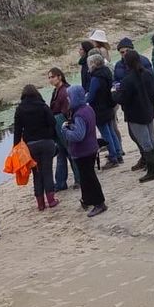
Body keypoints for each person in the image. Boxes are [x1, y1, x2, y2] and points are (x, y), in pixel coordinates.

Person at [114, 49, 154, 182]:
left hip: (135, 114)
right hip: (148, 109)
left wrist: (114, 94)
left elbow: (123, 99)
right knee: (152, 138)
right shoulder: (147, 74)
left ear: (126, 63)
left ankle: (153, 171)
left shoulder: (127, 80)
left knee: (145, 141)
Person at [62, 85, 108, 215]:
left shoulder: (79, 114)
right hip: (90, 148)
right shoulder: (88, 108)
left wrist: (65, 130)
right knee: (85, 177)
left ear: (74, 97)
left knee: (89, 177)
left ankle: (99, 203)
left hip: (84, 151)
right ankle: (87, 200)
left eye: (69, 97)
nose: (68, 99)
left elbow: (79, 136)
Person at [13, 84, 59, 211]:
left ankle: (40, 204)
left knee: (37, 174)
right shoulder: (42, 106)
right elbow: (53, 122)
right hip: (46, 143)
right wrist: (50, 135)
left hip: (30, 146)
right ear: (36, 93)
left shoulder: (19, 110)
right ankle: (51, 200)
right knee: (47, 171)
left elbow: (17, 130)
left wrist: (16, 148)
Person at [47, 67, 81, 192]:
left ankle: (79, 178)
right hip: (57, 124)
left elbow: (68, 110)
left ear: (59, 77)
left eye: (52, 77)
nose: (51, 79)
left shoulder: (65, 91)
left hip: (64, 123)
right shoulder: (56, 91)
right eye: (49, 77)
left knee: (71, 151)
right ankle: (61, 182)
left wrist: (69, 125)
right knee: (61, 153)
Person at [87, 53, 124, 165]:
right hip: (108, 105)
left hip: (99, 109)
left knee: (106, 134)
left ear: (93, 64)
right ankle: (118, 153)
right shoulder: (106, 72)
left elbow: (91, 96)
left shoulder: (96, 78)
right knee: (111, 131)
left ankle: (113, 157)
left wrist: (85, 99)